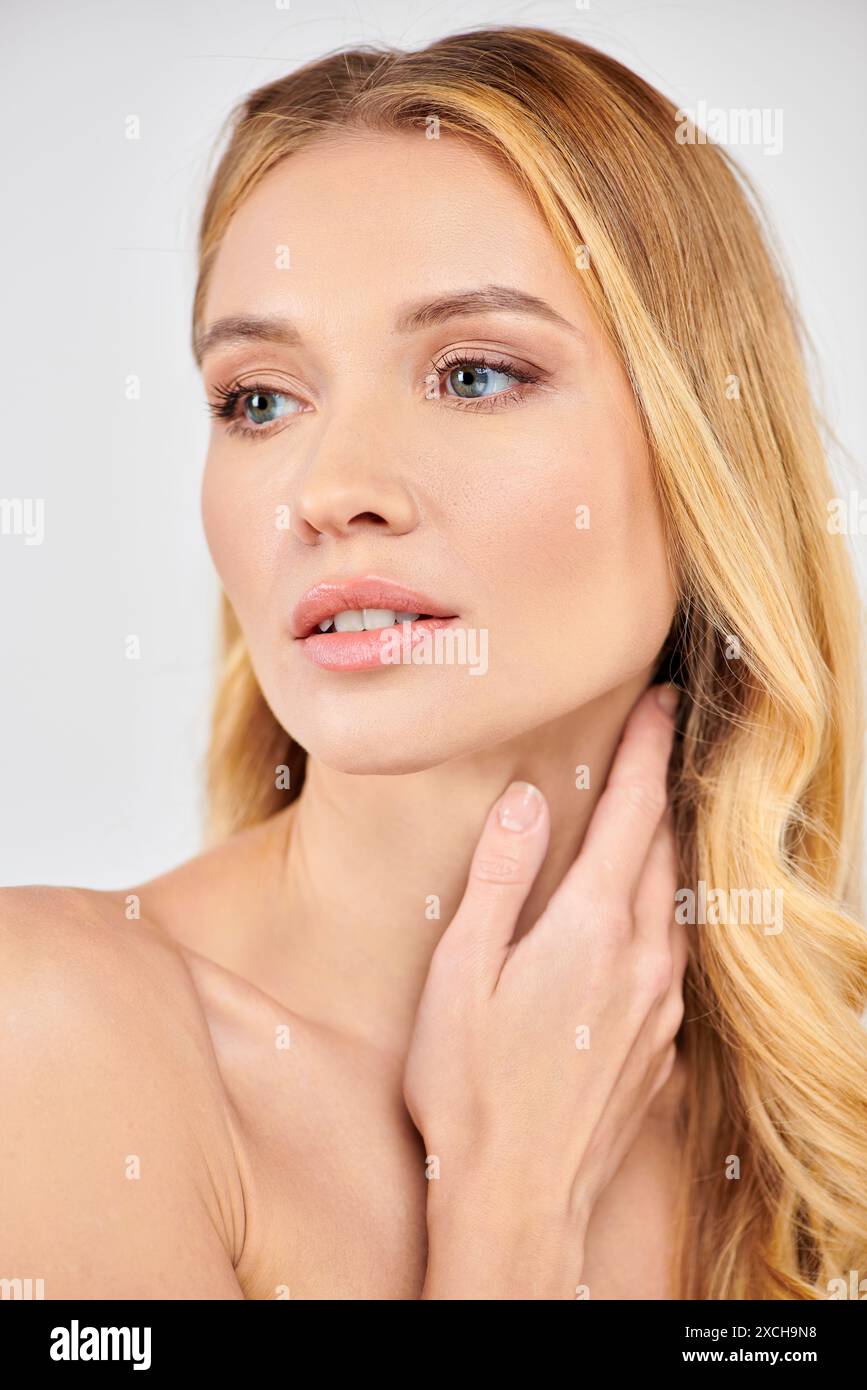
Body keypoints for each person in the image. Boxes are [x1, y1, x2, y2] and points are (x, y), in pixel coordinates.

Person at [2, 26, 864, 1300]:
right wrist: (510, 1218)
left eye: (473, 373)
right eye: (259, 399)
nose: (332, 490)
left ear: (700, 461)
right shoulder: (53, 1036)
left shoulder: (820, 1115)